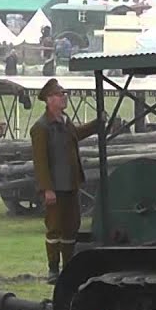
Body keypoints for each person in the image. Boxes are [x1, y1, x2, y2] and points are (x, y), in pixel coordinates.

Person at [30, 79, 100, 283]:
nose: (64, 97)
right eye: (60, 95)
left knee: (71, 227)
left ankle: (69, 269)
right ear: (50, 99)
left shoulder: (65, 121)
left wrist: (97, 125)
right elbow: (40, 162)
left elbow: (76, 134)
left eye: (64, 94)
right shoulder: (41, 127)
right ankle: (53, 269)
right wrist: (46, 189)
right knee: (54, 228)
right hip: (55, 187)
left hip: (71, 183)